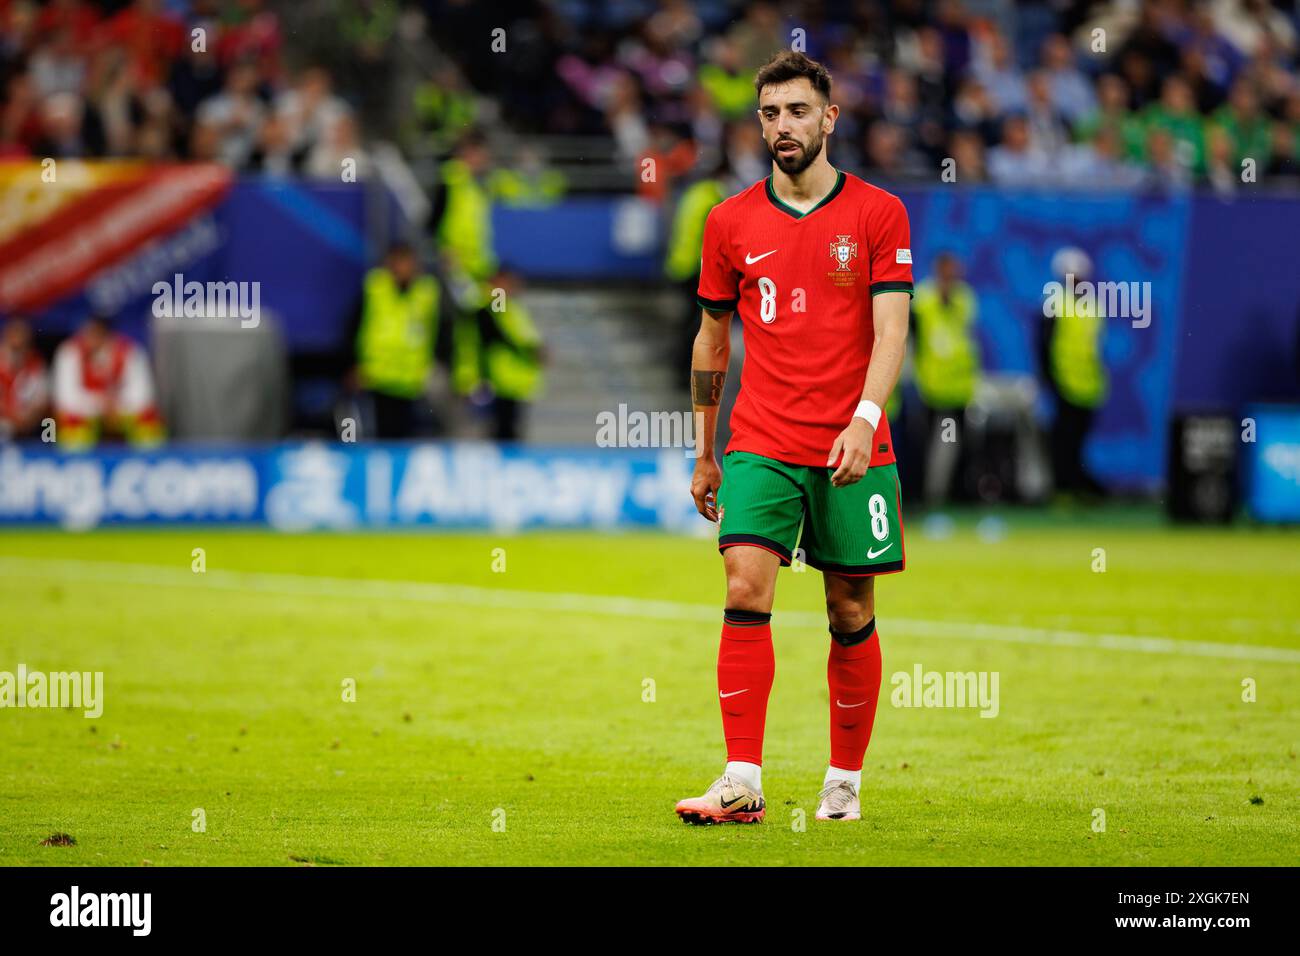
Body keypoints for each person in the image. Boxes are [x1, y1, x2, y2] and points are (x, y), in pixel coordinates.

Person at [678, 50, 912, 825]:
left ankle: (843, 782)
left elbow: (891, 331)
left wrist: (864, 419)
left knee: (849, 610)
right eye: (771, 113)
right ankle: (742, 781)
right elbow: (712, 340)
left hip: (853, 446)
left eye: (798, 111)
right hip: (762, 443)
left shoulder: (878, 214)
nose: (783, 126)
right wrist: (706, 448)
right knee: (744, 582)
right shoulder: (729, 221)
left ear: (830, 118)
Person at [352, 241, 441, 439]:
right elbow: (355, 326)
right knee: (377, 435)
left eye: (406, 261)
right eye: (398, 261)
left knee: (408, 436)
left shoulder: (427, 292)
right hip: (377, 377)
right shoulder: (375, 287)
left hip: (412, 379)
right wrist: (355, 365)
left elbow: (438, 331)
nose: (402, 267)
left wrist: (433, 366)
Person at [911, 252, 980, 505]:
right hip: (931, 385)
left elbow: (966, 336)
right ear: (938, 270)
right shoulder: (923, 298)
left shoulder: (964, 298)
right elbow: (914, 339)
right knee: (925, 444)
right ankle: (922, 495)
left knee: (961, 444)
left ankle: (959, 494)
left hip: (960, 387)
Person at [1039, 247, 1107, 497]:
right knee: (1063, 440)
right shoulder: (1055, 304)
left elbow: (1094, 347)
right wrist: (1049, 379)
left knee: (1079, 440)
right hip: (1063, 382)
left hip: (1088, 383)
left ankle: (1076, 486)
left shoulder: (1093, 306)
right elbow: (1043, 344)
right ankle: (1062, 488)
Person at [52, 313, 162, 447]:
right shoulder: (69, 353)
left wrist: (116, 408)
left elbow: (143, 396)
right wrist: (100, 405)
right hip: (88, 414)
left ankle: (148, 463)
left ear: (108, 335)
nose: (90, 340)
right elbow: (66, 400)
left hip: (123, 414)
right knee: (71, 426)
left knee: (148, 424)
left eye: (96, 334)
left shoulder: (131, 352)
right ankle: (77, 465)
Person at [0, 317, 49, 440]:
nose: (17, 350)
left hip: (26, 428)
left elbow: (41, 401)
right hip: (4, 422)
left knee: (49, 426)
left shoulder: (35, 365)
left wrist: (26, 420)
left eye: (22, 345)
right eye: (13, 346)